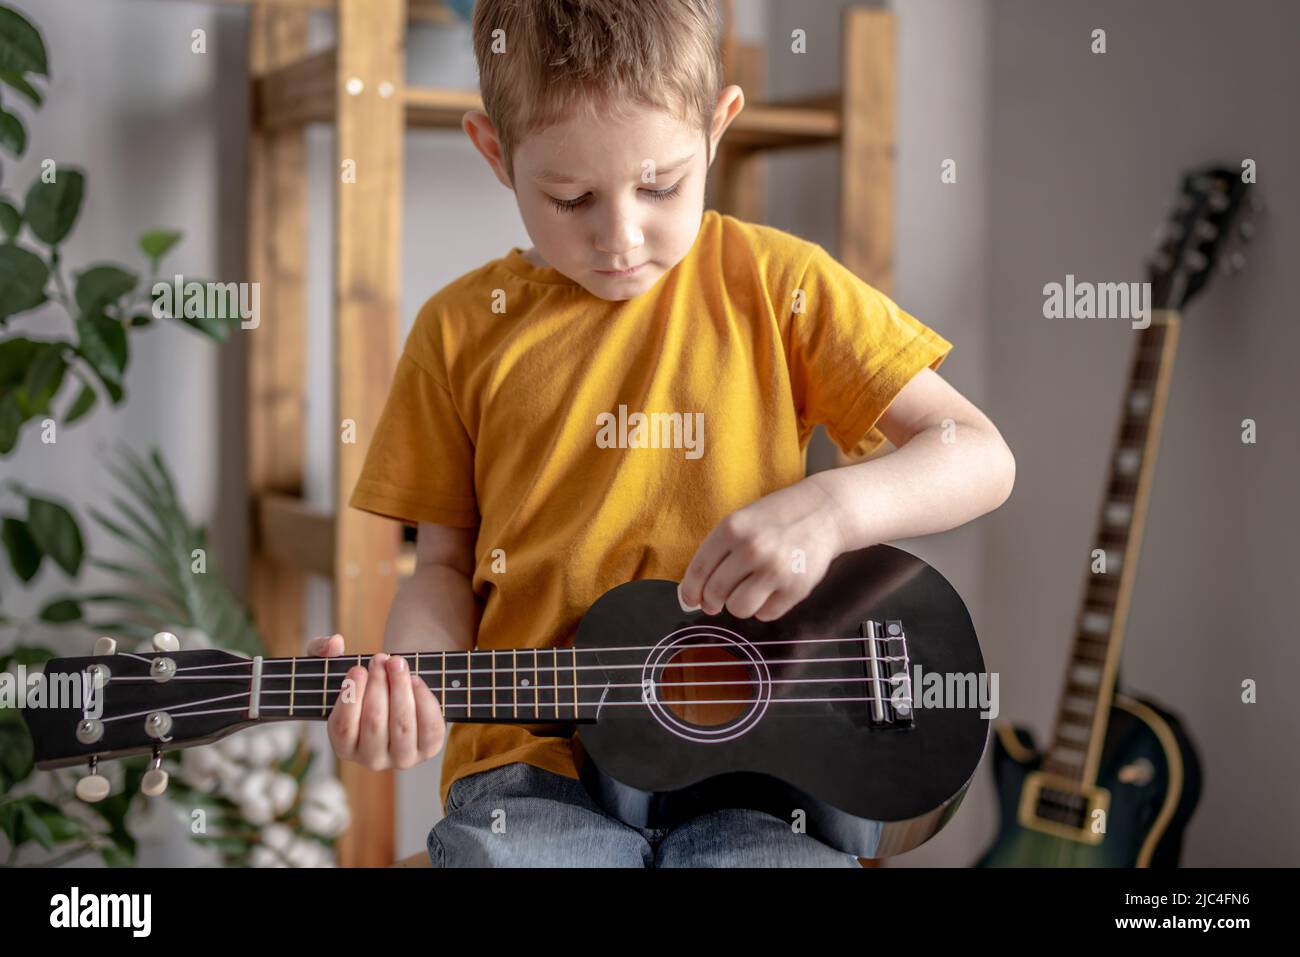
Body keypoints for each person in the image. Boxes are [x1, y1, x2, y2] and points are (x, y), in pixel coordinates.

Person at [312, 0, 1016, 867]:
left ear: (719, 127)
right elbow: (443, 570)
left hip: (767, 774)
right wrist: (411, 681)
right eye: (570, 197)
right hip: (533, 772)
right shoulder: (457, 330)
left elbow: (977, 452)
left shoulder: (777, 283)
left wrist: (832, 508)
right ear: (495, 153)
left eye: (660, 185)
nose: (620, 237)